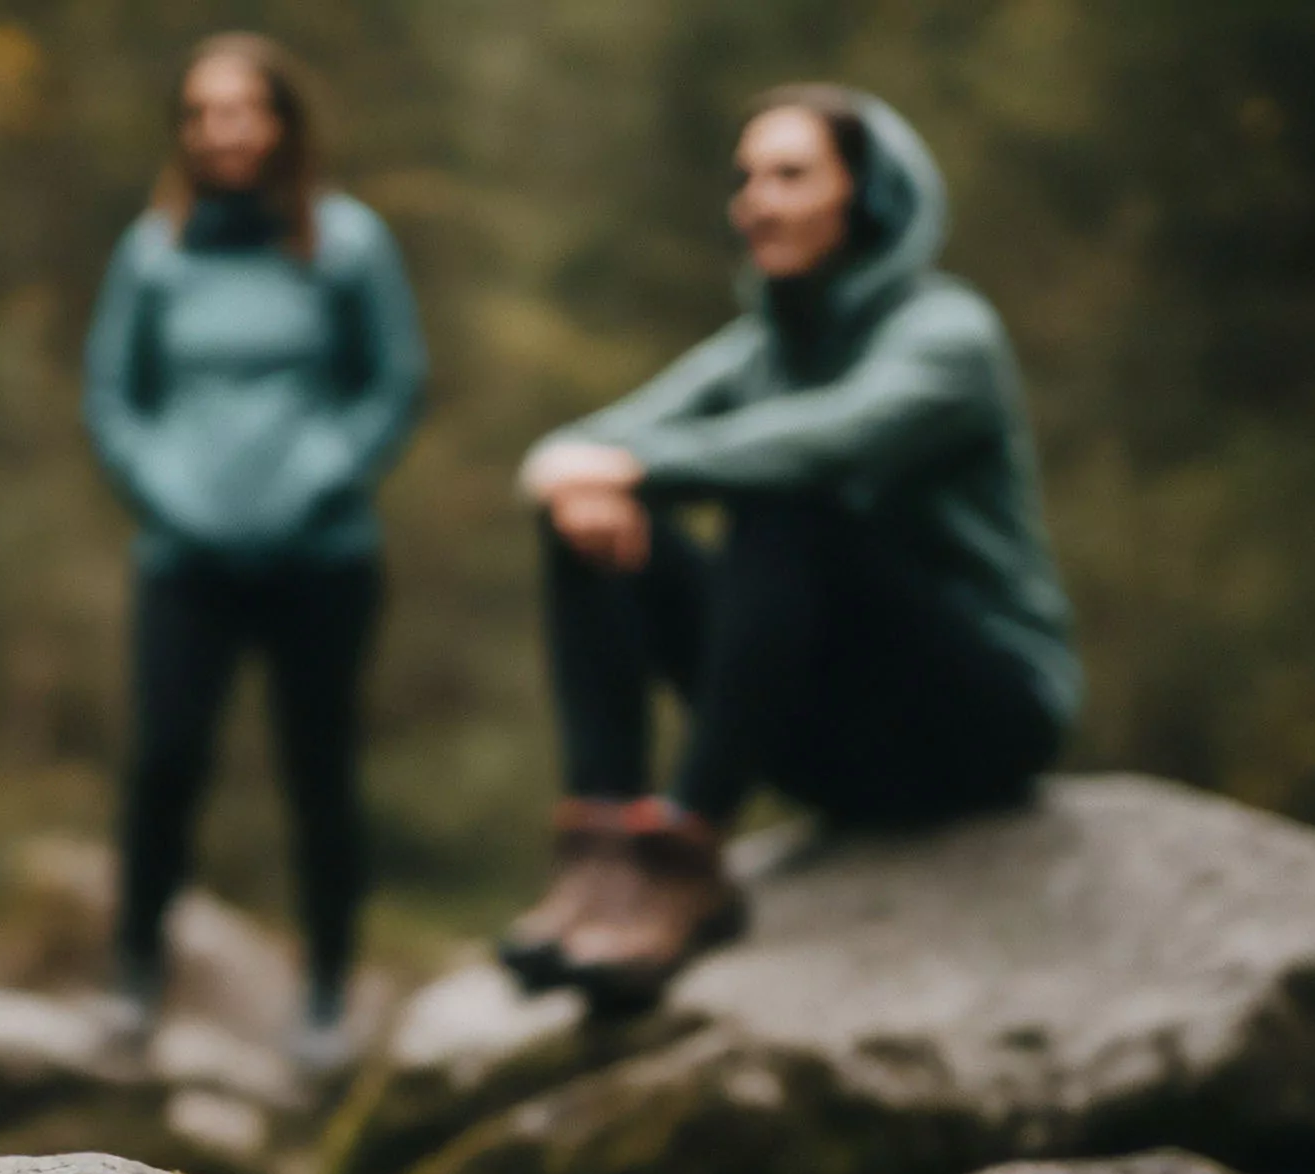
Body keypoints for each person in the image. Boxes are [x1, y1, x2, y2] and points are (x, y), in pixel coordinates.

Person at [501, 84, 1076, 1006]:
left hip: (980, 721)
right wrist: (575, 479)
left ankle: (686, 854)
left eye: (791, 174)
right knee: (588, 525)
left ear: (872, 198)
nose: (755, 201)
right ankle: (607, 862)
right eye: (746, 179)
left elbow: (829, 440)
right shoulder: (756, 349)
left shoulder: (949, 334)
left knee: (782, 501)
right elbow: (564, 453)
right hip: (841, 744)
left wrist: (613, 466)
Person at [84, 32, 426, 1068]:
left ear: (282, 123)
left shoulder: (347, 245)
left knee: (318, 769)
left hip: (321, 560)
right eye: (201, 114)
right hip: (184, 559)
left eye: (241, 111)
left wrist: (320, 476)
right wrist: (164, 489)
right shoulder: (153, 252)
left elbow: (393, 386)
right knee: (164, 761)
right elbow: (112, 399)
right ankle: (133, 978)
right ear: (184, 132)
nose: (220, 131)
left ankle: (324, 992)